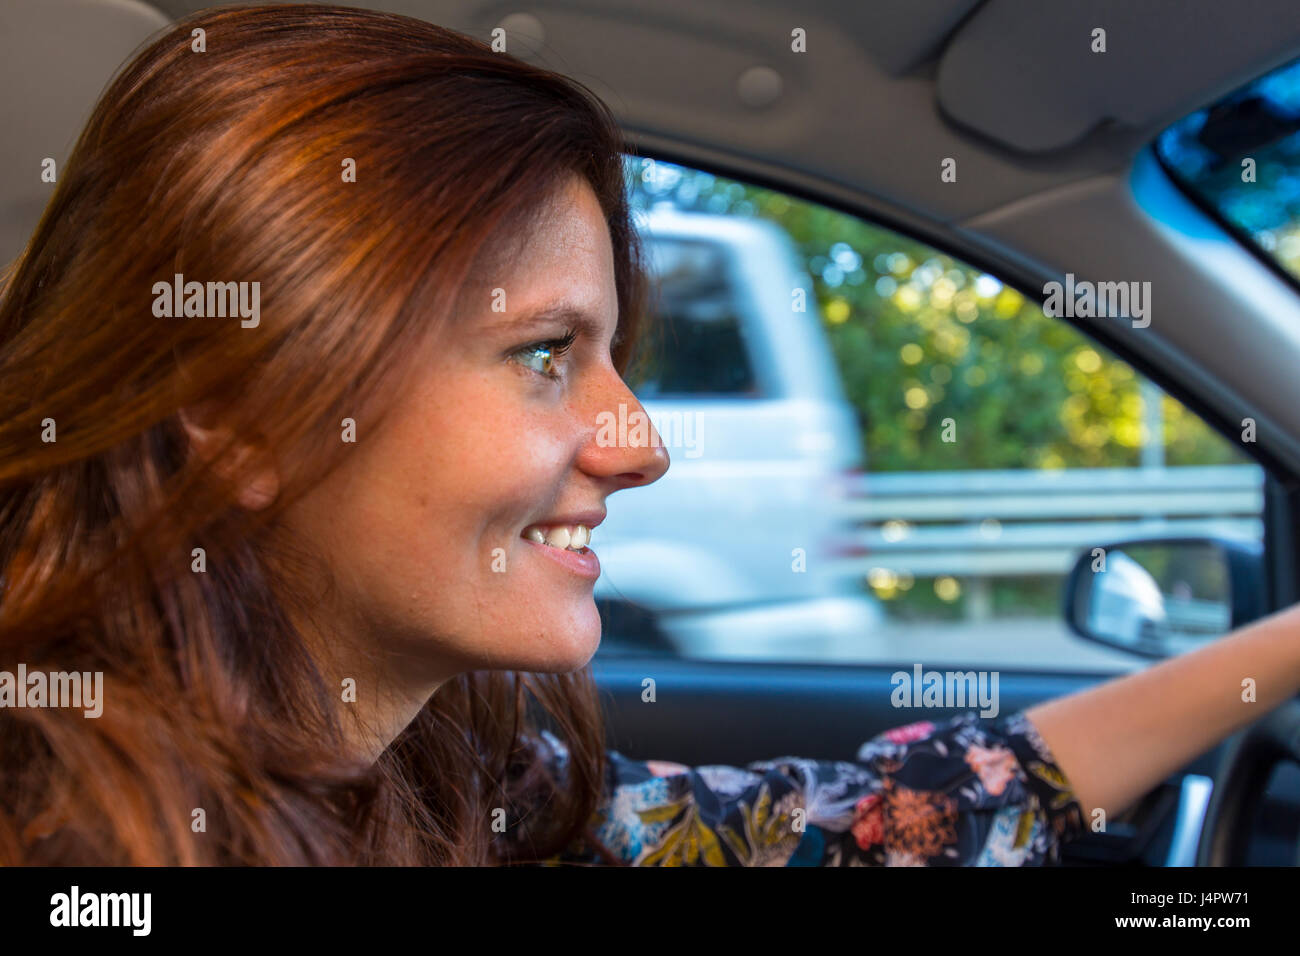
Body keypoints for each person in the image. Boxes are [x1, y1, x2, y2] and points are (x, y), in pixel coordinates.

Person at [1, 3, 1296, 867]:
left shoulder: (460, 786)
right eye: (544, 354)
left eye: (613, 354)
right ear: (238, 417)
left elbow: (860, 827)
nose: (638, 442)